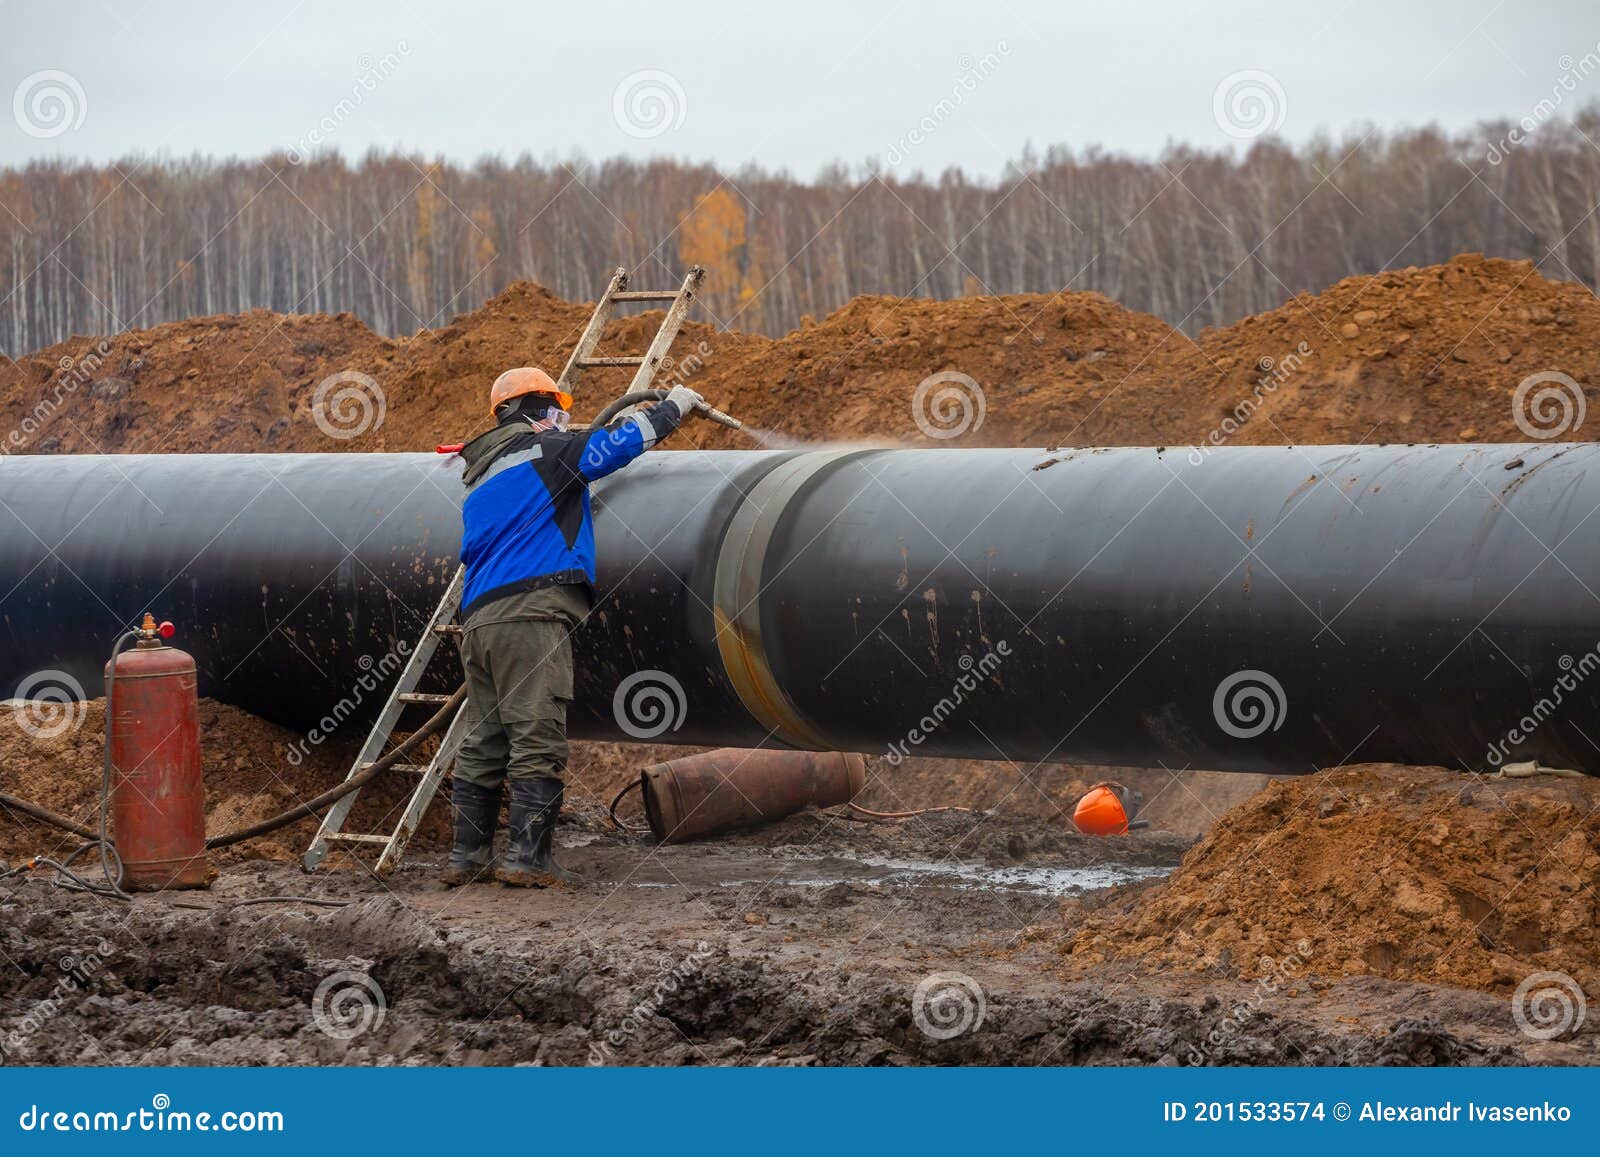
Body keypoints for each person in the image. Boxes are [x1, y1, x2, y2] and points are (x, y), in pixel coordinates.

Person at [443, 366, 702, 887]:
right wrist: (672, 407)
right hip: (532, 612)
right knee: (536, 732)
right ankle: (528, 861)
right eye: (555, 407)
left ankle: (466, 859)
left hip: (479, 621)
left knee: (484, 739)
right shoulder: (549, 452)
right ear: (538, 408)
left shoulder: (481, 469)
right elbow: (617, 446)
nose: (562, 416)